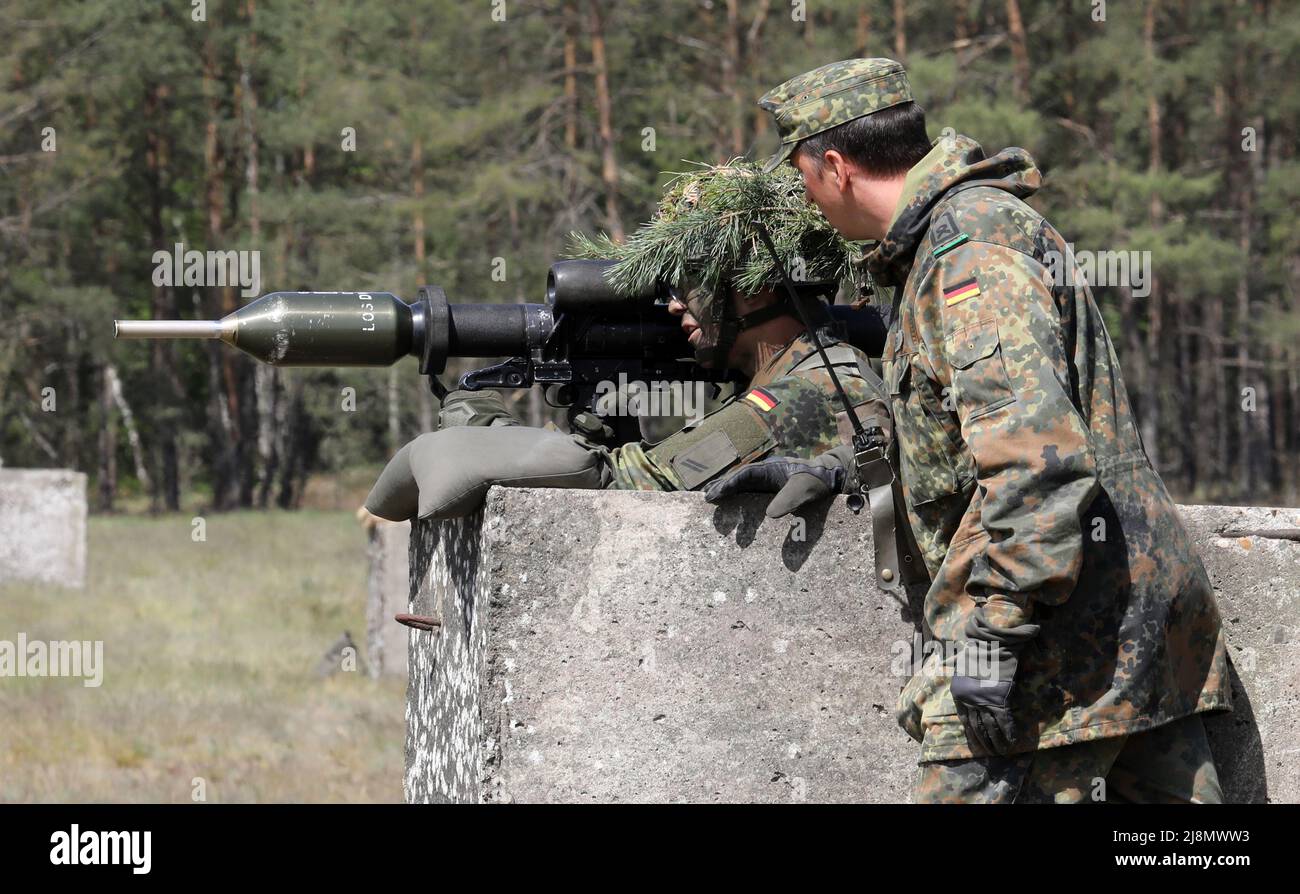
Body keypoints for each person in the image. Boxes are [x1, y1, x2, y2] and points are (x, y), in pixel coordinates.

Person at [708, 58, 1232, 803]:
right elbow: (956, 434)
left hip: (1053, 641)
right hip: (1123, 627)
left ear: (834, 165)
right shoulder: (950, 242)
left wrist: (990, 641)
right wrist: (836, 469)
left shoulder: (968, 255)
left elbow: (1037, 463)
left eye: (801, 176)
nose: (806, 198)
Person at [365, 161, 887, 518]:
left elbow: (628, 486)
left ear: (758, 287)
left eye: (691, 284)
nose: (677, 304)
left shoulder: (808, 392)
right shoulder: (786, 374)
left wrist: (482, 424)